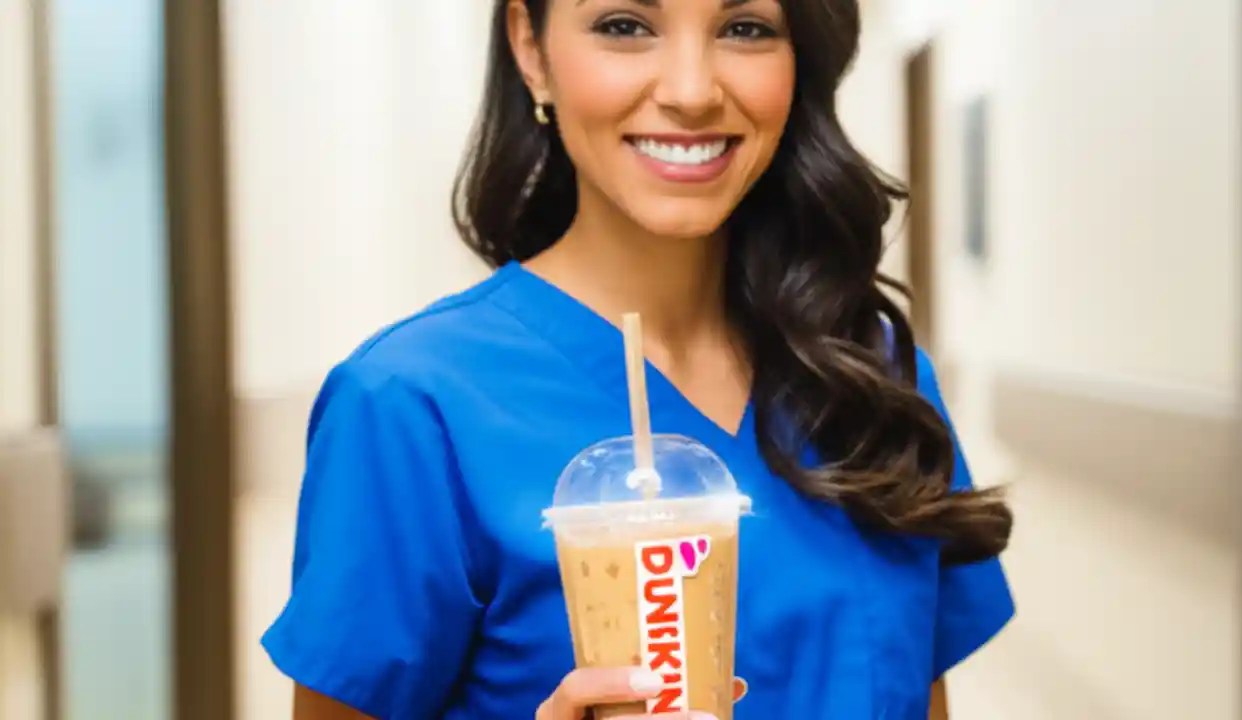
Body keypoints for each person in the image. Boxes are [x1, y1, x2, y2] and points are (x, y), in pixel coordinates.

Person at [262, 0, 1015, 718]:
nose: (691, 92)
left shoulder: (873, 377)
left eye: (746, 27)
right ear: (531, 48)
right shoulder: (410, 405)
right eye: (624, 25)